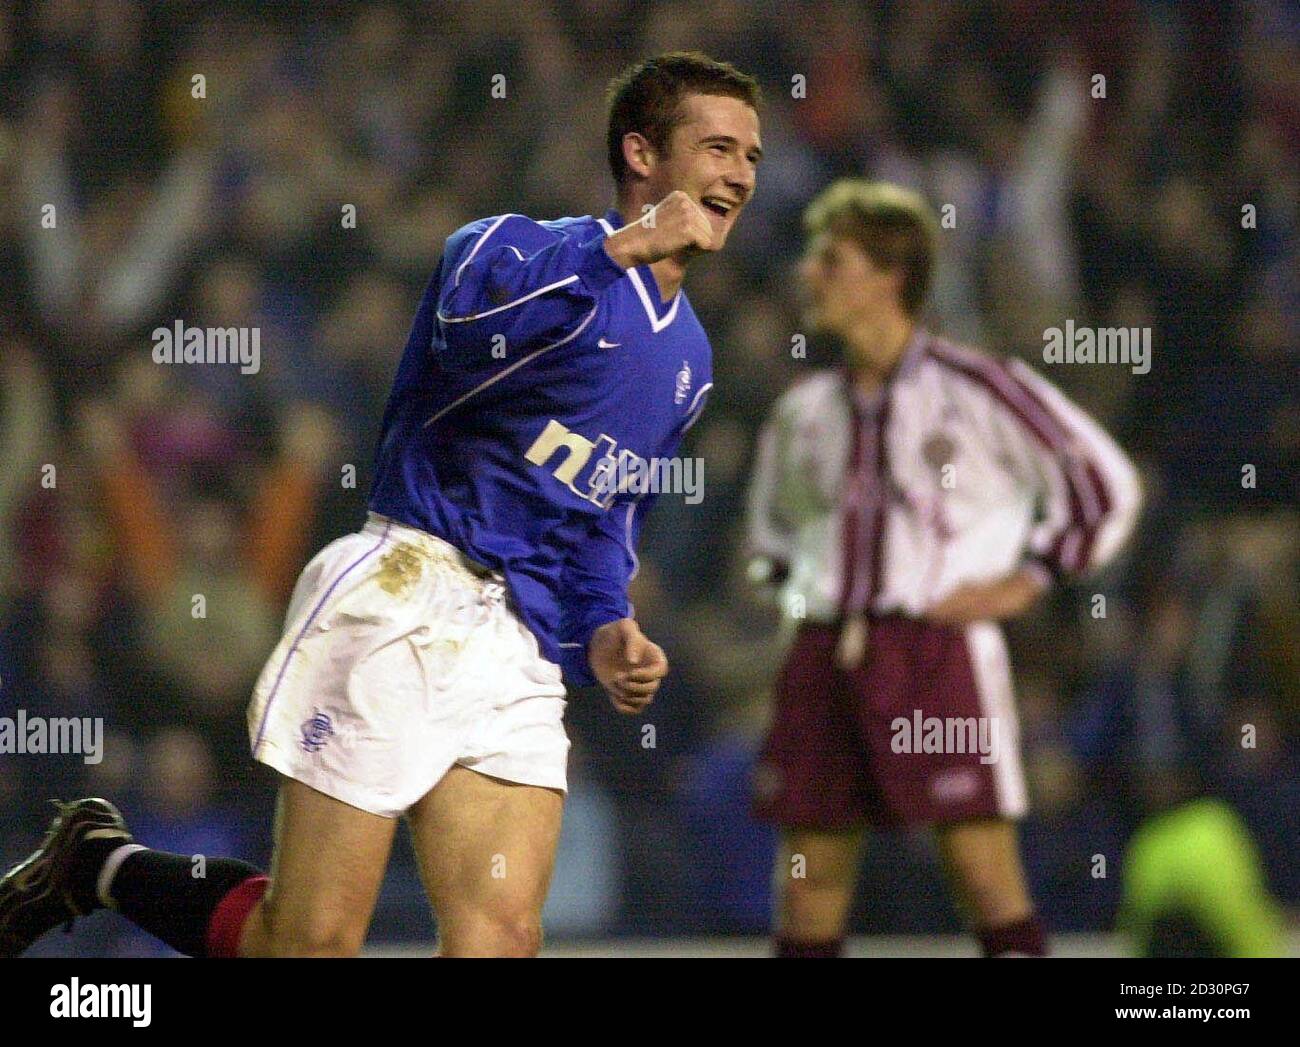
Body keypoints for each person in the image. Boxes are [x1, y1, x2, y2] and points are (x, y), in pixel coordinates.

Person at [0, 51, 762, 959]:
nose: (741, 175)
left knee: (501, 936)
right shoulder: (512, 246)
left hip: (515, 642)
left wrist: (604, 625)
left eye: (752, 156)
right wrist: (616, 253)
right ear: (642, 154)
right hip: (404, 584)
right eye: (718, 148)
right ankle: (103, 865)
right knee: (310, 939)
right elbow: (467, 333)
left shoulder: (691, 362)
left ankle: (98, 864)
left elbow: (603, 518)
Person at [745, 179, 1142, 957]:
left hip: (935, 649)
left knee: (983, 874)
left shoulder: (977, 387)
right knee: (807, 886)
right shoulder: (804, 411)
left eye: (831, 257)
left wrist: (1024, 580)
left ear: (890, 274)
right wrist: (799, 596)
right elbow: (771, 539)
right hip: (825, 652)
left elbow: (1103, 484)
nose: (809, 273)